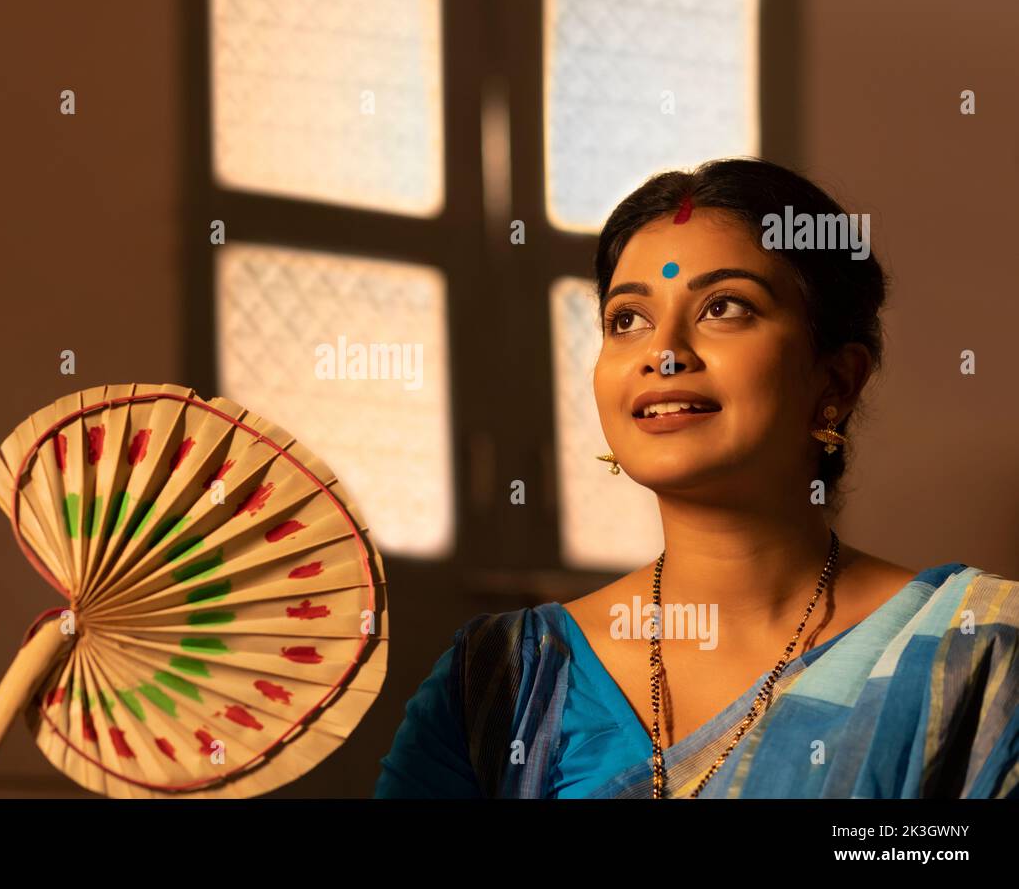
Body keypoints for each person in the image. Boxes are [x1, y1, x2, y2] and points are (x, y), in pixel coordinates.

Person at [373, 158, 1019, 798]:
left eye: (725, 306)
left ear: (837, 379)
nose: (664, 352)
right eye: (626, 319)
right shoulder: (506, 678)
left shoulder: (977, 650)